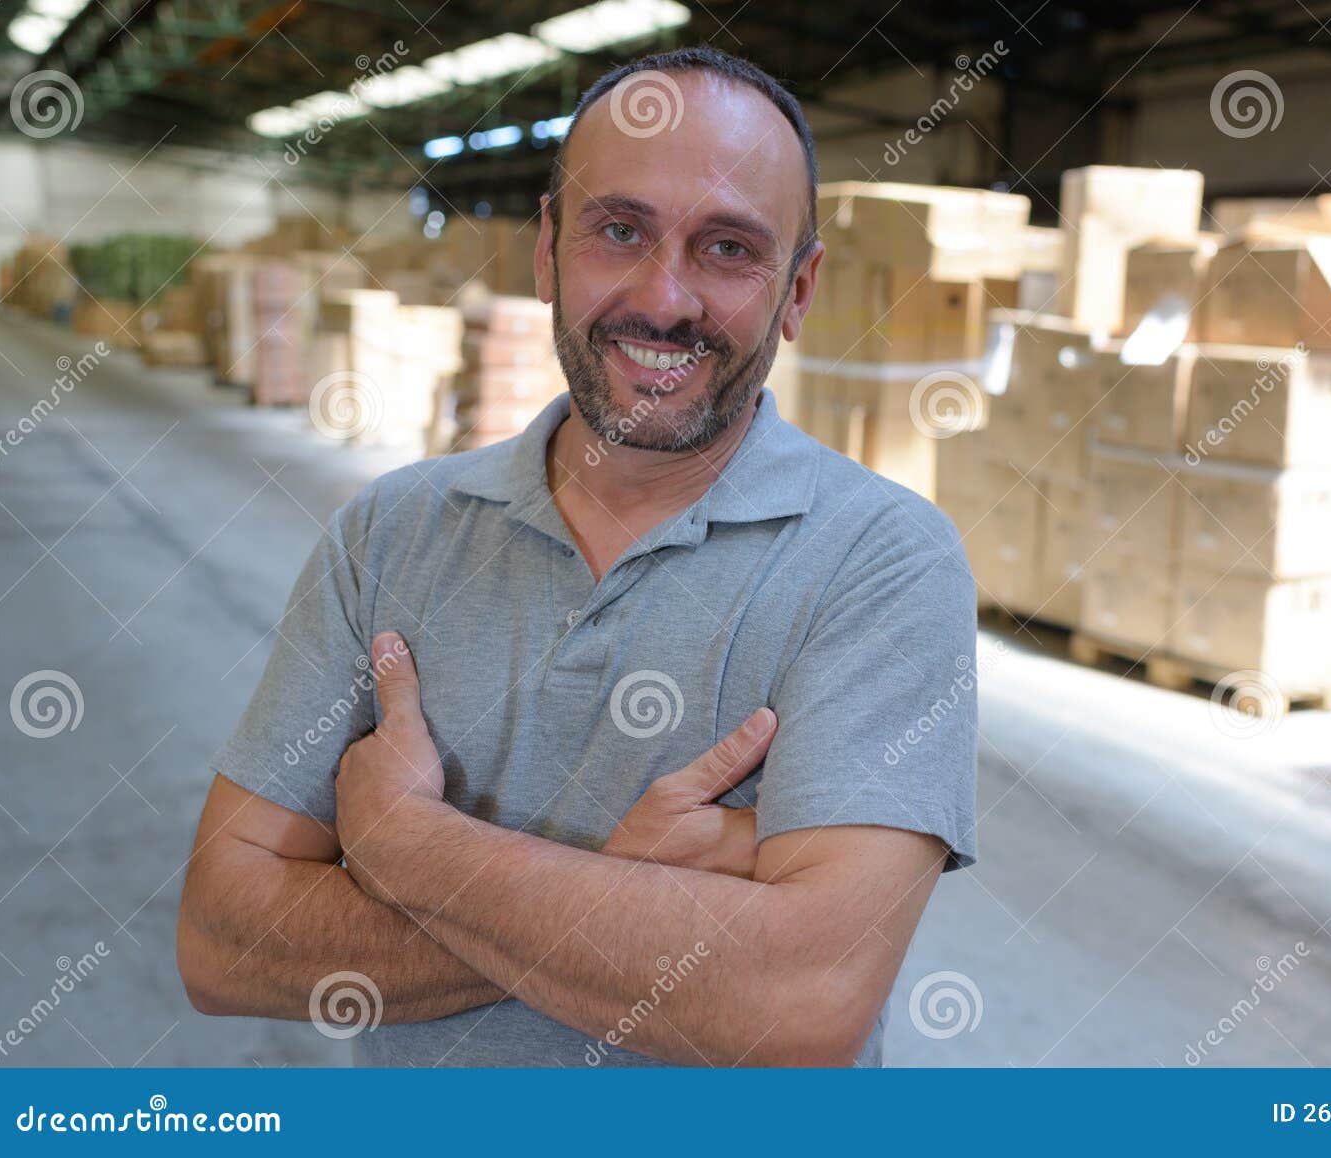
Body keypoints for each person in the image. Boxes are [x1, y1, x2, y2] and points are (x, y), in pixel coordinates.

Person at [177, 45, 978, 1067]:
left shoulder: (882, 561)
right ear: (549, 249)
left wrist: (407, 845)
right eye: (620, 230)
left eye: (729, 248)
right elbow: (223, 943)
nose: (665, 299)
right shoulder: (390, 533)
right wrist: (625, 877)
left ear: (798, 289)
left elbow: (799, 1001)